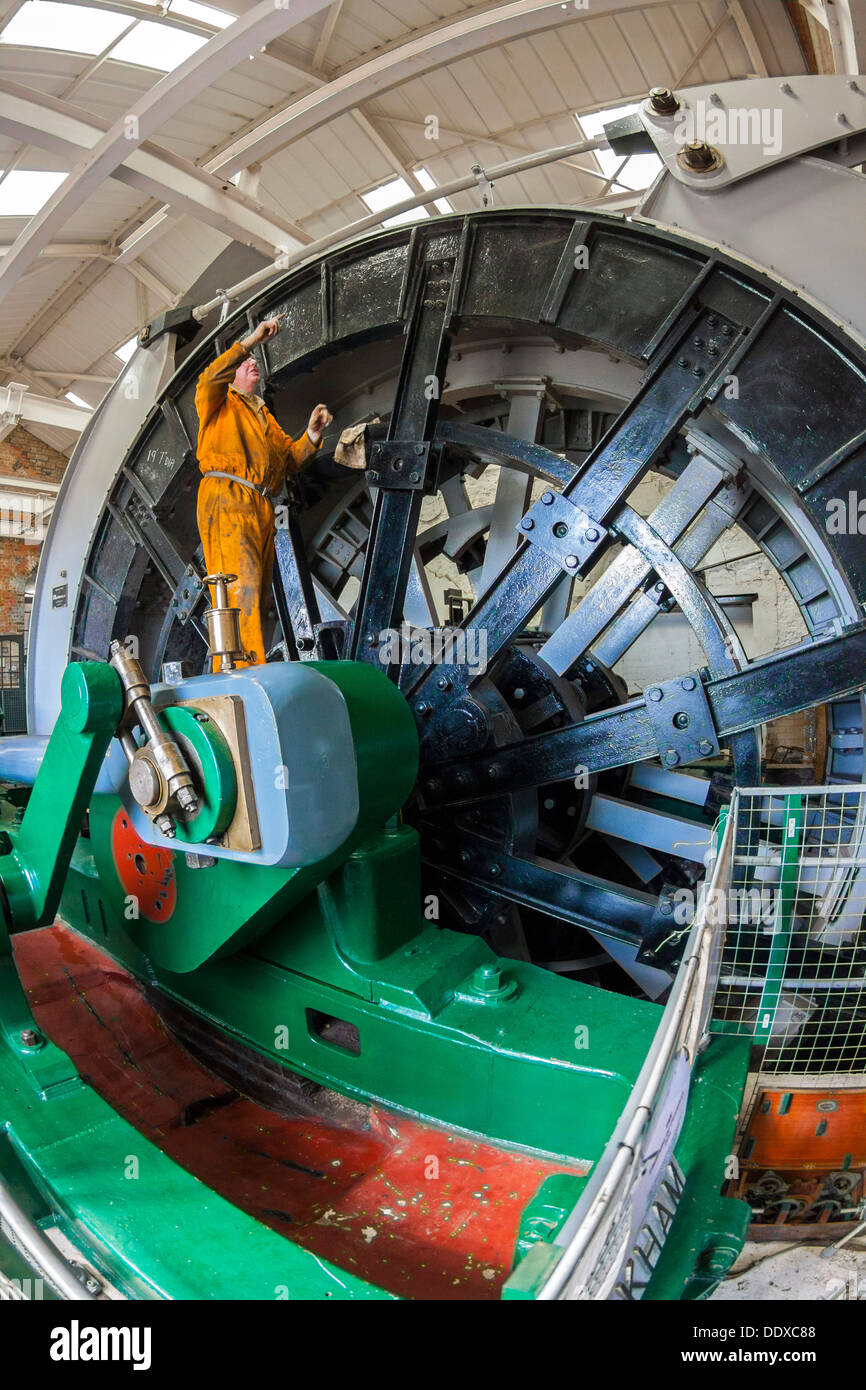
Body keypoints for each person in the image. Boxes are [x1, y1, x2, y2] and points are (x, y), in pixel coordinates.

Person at [195, 317, 332, 665]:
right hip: (228, 498)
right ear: (233, 374)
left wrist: (313, 433)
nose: (252, 363)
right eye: (245, 363)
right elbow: (209, 377)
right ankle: (240, 671)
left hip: (258, 504)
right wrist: (251, 341)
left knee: (254, 593)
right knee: (239, 587)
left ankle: (245, 664)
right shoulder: (219, 402)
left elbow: (289, 460)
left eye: (253, 360)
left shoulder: (263, 417)